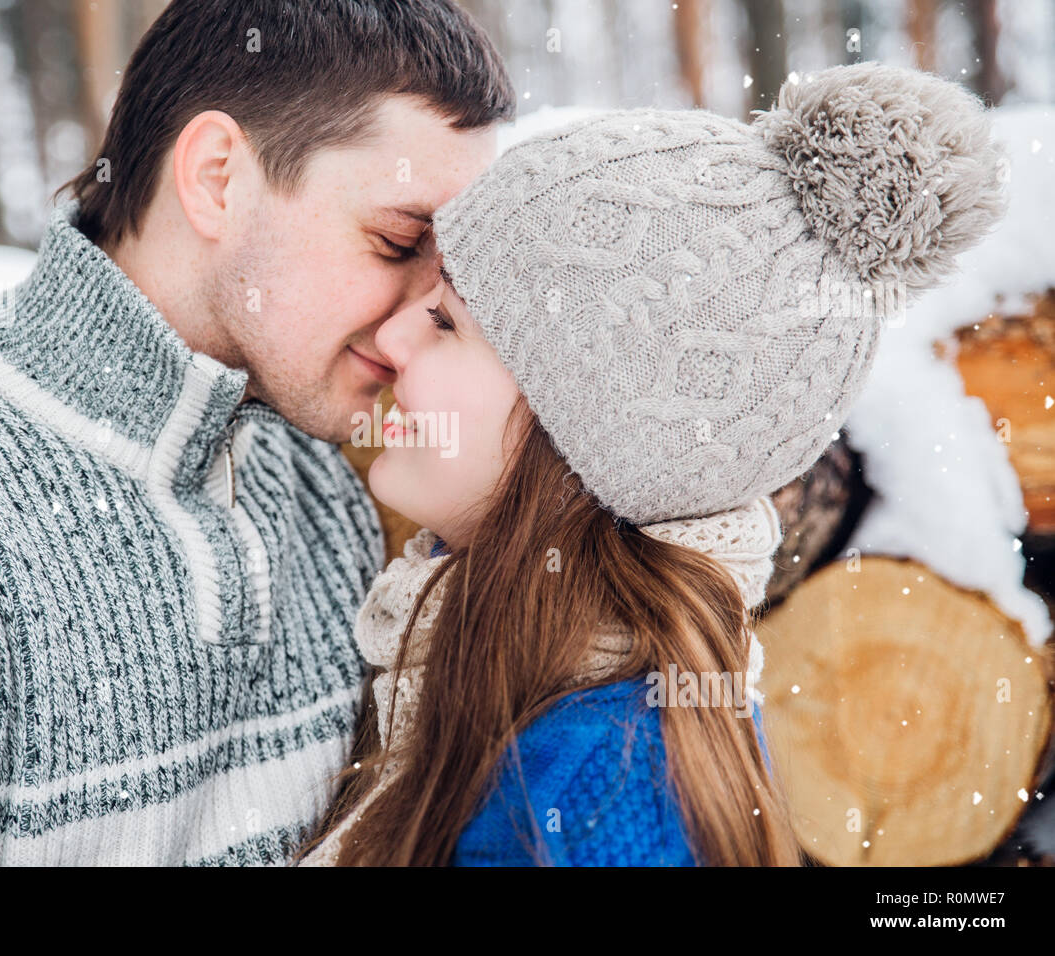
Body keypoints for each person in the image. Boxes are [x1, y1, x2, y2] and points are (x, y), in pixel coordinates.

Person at [0, 0, 514, 865]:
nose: (425, 318)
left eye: (446, 273)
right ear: (217, 177)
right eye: (396, 241)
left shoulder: (329, 480)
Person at [295, 61, 1010, 866]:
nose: (392, 341)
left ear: (582, 435)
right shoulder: (500, 696)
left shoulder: (605, 794)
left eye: (447, 323)